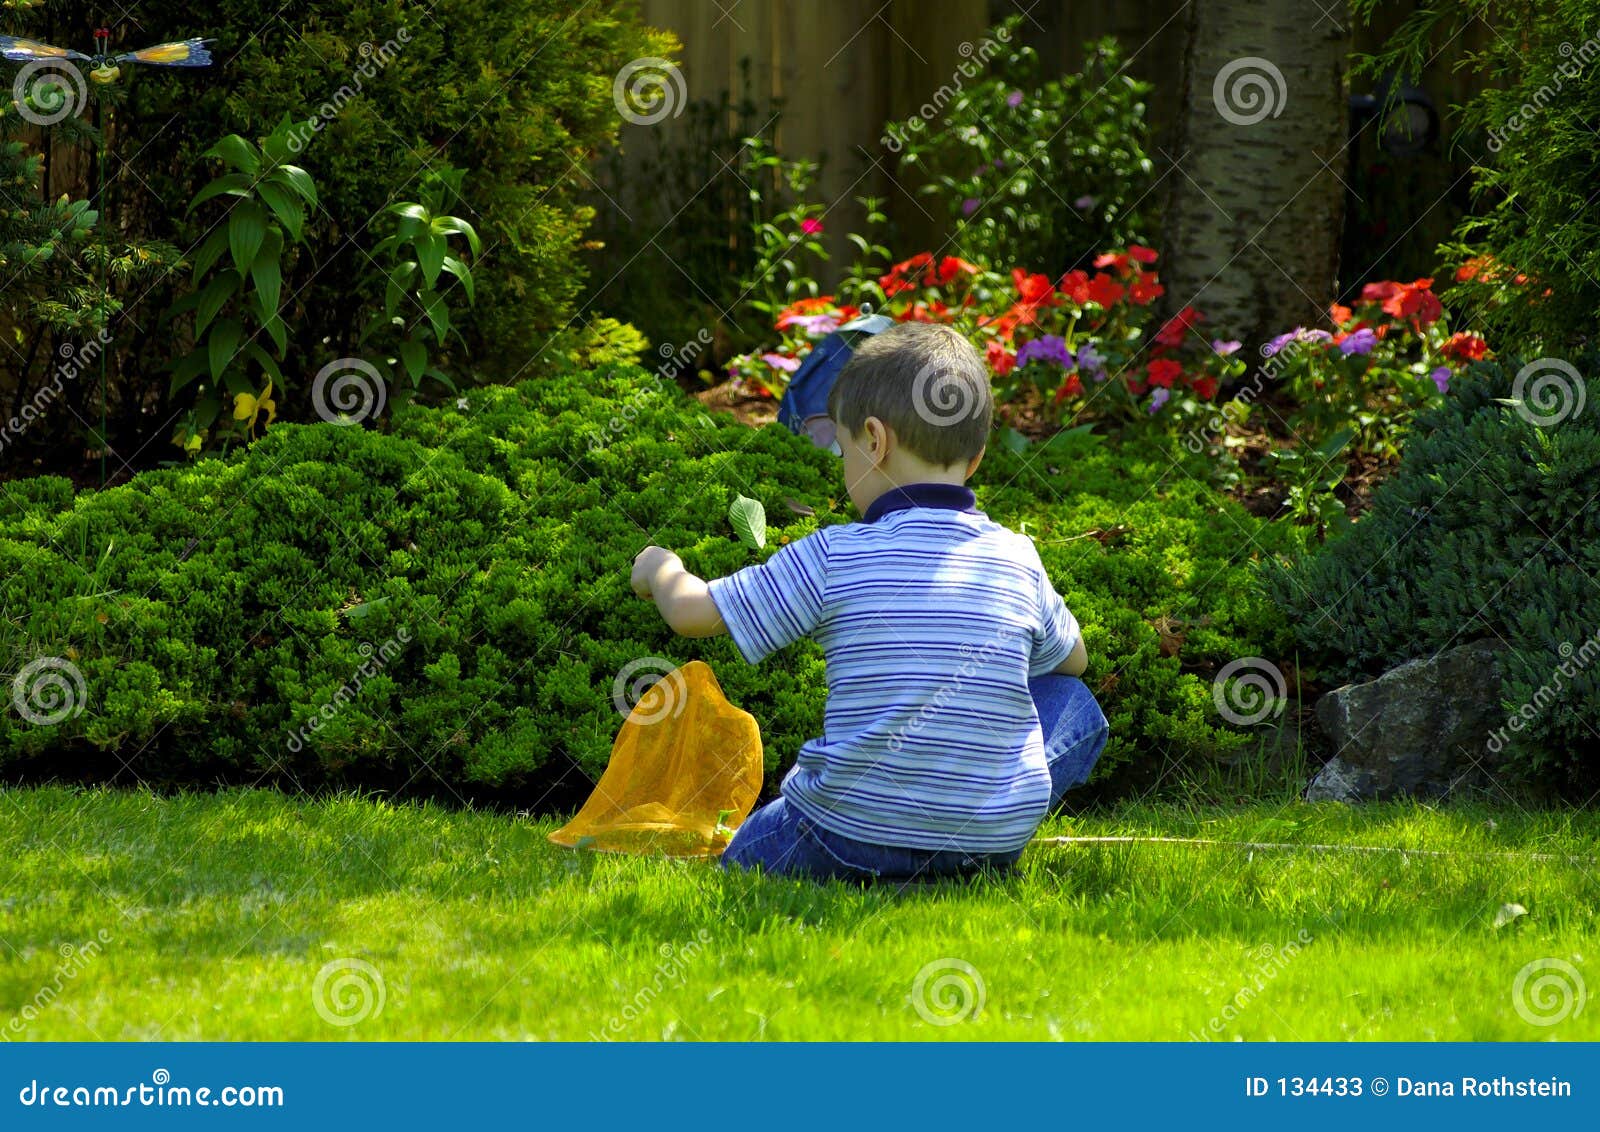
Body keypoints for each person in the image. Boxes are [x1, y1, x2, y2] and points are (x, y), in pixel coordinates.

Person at [629, 322, 1109, 880]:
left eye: (843, 448)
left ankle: (875, 821)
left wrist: (664, 568)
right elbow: (1073, 663)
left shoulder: (837, 551)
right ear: (975, 459)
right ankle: (970, 821)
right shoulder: (1018, 556)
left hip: (841, 838)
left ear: (875, 441)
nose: (843, 466)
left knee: (752, 850)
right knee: (1073, 701)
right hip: (985, 844)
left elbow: (692, 613)